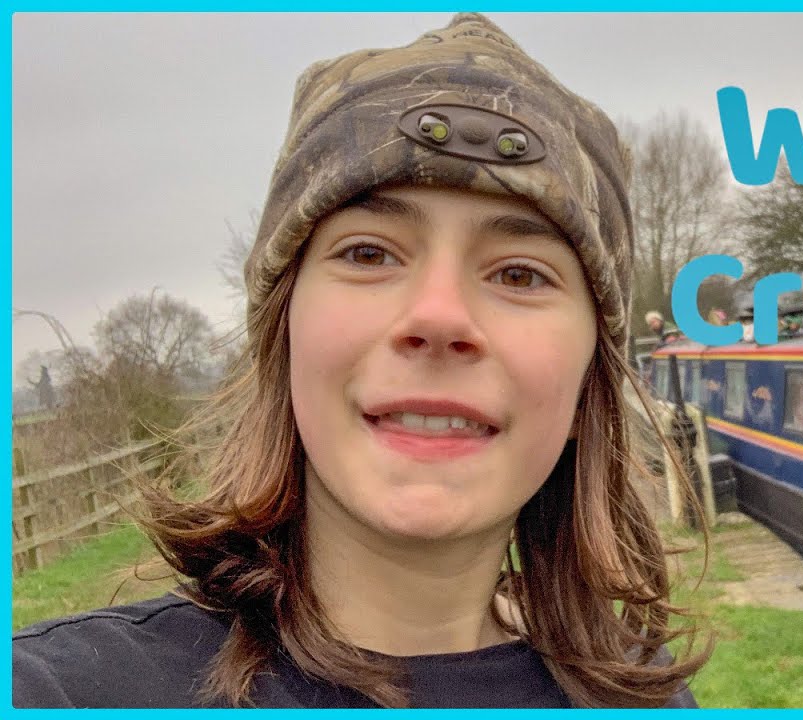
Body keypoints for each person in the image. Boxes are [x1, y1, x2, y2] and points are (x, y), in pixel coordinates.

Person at [13, 14, 707, 708]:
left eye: (520, 274)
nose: (438, 317)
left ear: (590, 381)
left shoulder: (644, 693)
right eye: (369, 253)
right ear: (283, 334)